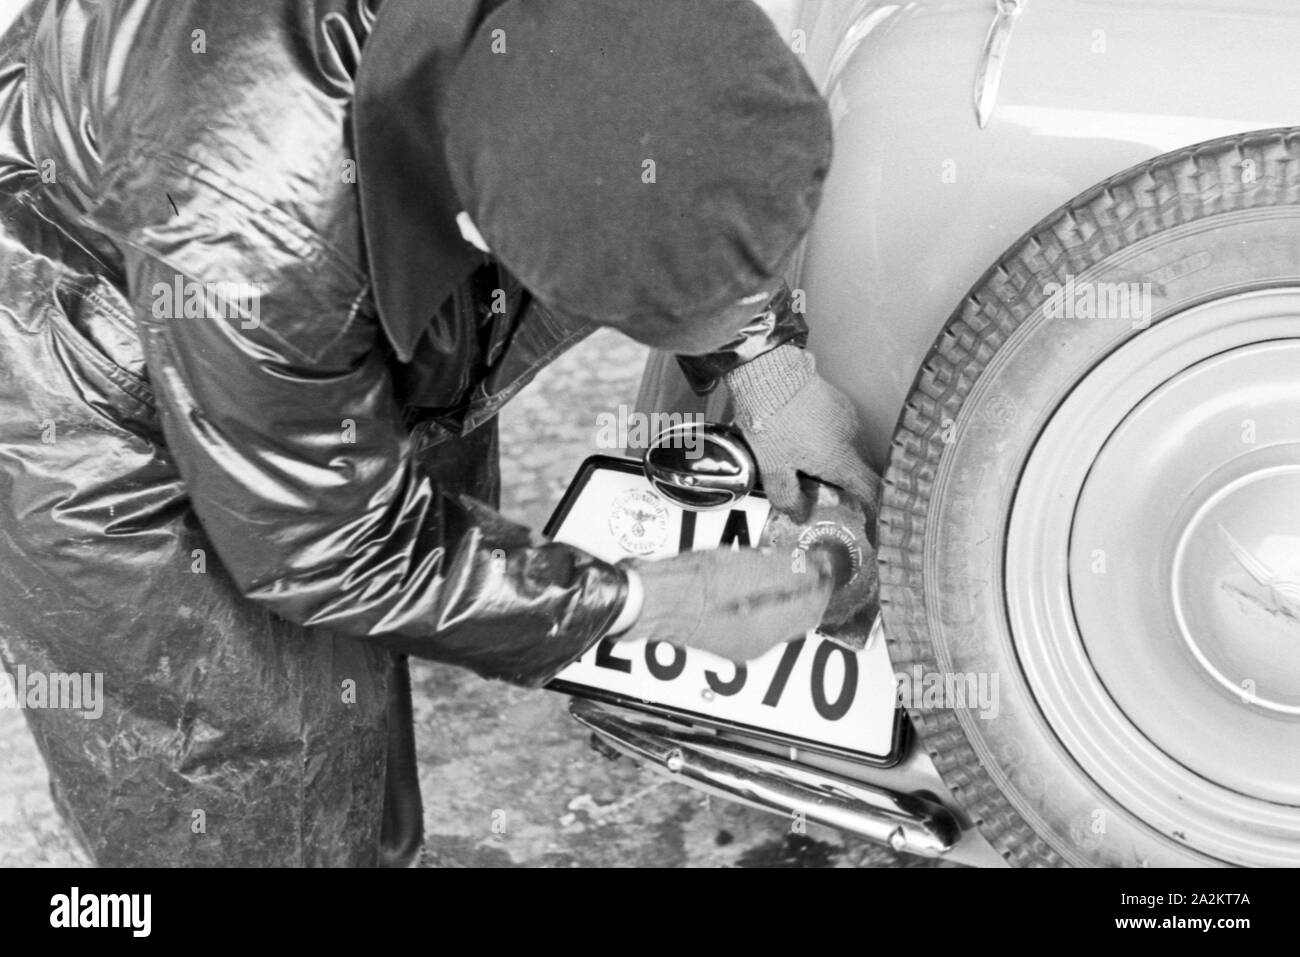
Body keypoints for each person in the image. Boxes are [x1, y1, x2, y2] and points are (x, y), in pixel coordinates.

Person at [0, 0, 878, 867]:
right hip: (87, 343)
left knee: (373, 695)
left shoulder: (571, 66)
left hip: (330, 219)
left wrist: (762, 366)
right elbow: (330, 546)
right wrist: (643, 602)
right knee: (250, 790)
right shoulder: (255, 231)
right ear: (481, 225)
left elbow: (672, 133)